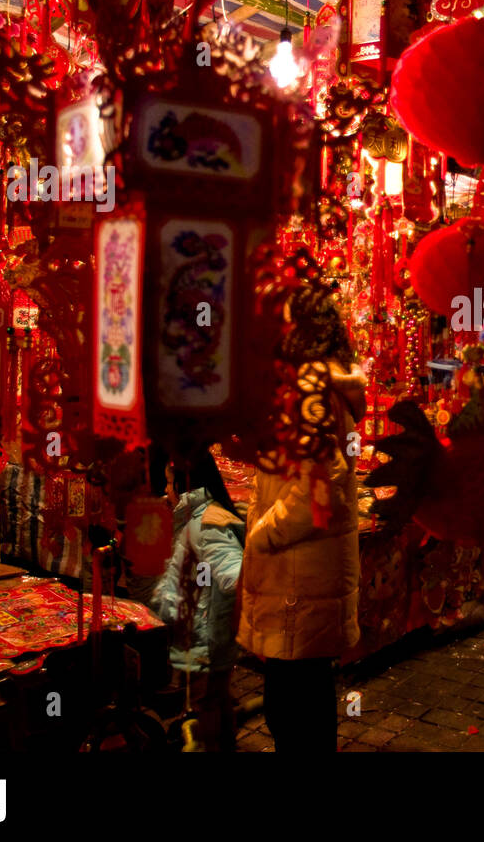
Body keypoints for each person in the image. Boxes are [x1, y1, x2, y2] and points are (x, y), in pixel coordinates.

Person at [239, 283, 366, 753]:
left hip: (299, 572)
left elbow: (322, 481)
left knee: (294, 706)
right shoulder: (312, 385)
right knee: (298, 700)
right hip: (302, 571)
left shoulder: (312, 389)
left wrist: (265, 533)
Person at [152, 447, 246, 752]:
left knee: (208, 703)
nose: (165, 490)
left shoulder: (207, 524)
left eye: (169, 483)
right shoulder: (196, 517)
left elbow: (235, 578)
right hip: (203, 635)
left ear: (185, 484)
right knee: (214, 701)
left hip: (207, 639)